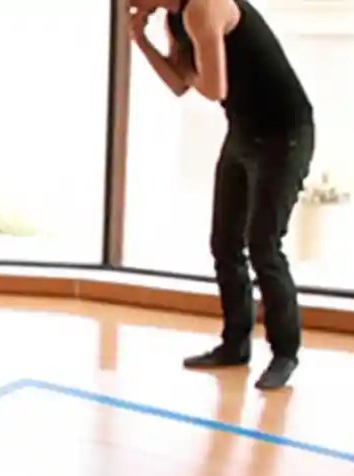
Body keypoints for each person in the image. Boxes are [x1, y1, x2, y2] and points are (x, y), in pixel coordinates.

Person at [128, 0, 315, 390]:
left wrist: (186, 63)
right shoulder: (175, 19)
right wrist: (139, 41)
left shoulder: (201, 7)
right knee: (225, 243)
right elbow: (181, 84)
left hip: (285, 134)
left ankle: (285, 354)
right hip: (244, 132)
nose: (127, 4)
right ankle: (235, 345)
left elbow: (213, 88)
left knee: (264, 245)